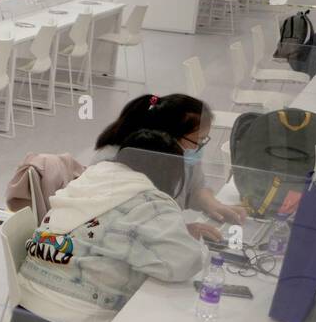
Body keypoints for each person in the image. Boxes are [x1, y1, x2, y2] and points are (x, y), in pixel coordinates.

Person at [15, 129, 207, 322]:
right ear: (169, 171)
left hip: (22, 315)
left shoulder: (86, 180)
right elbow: (185, 264)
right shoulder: (148, 201)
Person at [92, 93, 246, 242]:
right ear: (168, 136)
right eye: (198, 140)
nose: (200, 146)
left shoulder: (182, 152)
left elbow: (195, 187)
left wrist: (213, 204)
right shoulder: (117, 161)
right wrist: (178, 233)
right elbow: (116, 224)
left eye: (204, 139)